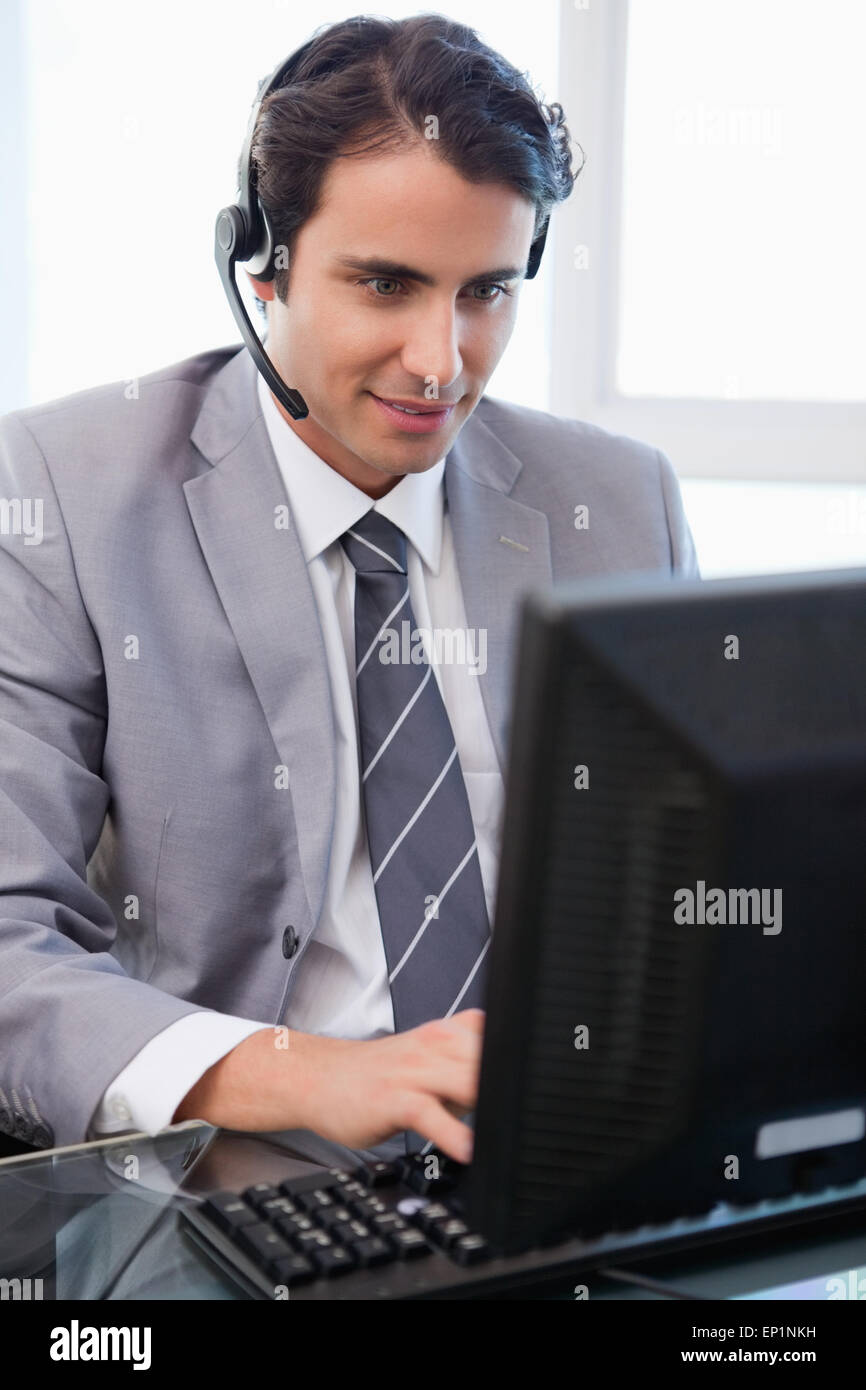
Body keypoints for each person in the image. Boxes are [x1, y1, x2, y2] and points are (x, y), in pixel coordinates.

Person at [0, 13, 699, 1165]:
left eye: (486, 292)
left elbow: (692, 897)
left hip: (559, 1164)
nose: (441, 359)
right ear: (261, 267)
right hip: (238, 1169)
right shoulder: (65, 498)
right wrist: (306, 1073)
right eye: (385, 284)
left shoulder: (620, 502)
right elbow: (12, 940)